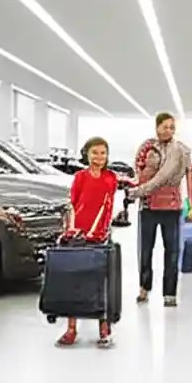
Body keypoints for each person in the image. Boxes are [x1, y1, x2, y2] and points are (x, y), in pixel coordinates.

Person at [57, 136, 123, 348]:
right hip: (79, 235)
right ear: (86, 154)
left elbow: (109, 206)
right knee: (74, 281)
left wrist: (104, 229)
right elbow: (74, 204)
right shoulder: (80, 177)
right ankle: (71, 328)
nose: (99, 157)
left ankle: (104, 327)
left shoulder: (111, 178)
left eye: (103, 153)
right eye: (95, 152)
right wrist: (72, 231)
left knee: (101, 282)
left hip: (100, 236)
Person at [129, 112, 192, 307]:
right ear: (157, 127)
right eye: (165, 127)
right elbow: (139, 173)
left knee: (172, 251)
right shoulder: (147, 148)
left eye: (172, 127)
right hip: (148, 206)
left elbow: (191, 179)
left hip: (172, 207)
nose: (168, 130)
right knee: (145, 250)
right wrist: (137, 188)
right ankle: (144, 288)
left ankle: (170, 293)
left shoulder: (182, 151)